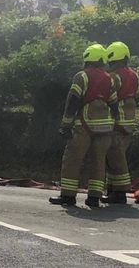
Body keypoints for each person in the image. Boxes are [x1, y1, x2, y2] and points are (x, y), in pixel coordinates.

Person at [49, 44, 119, 208]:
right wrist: (113, 125)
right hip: (106, 128)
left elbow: (72, 101)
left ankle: (68, 196)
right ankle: (94, 197)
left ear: (87, 59)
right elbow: (114, 104)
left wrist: (65, 125)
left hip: (83, 126)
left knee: (73, 159)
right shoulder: (110, 78)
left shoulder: (82, 76)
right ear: (102, 59)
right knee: (99, 161)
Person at [104, 41, 138, 204]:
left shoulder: (114, 77)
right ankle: (112, 189)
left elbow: (108, 97)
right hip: (129, 122)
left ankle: (120, 191)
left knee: (116, 156)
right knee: (117, 154)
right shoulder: (134, 74)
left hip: (116, 121)